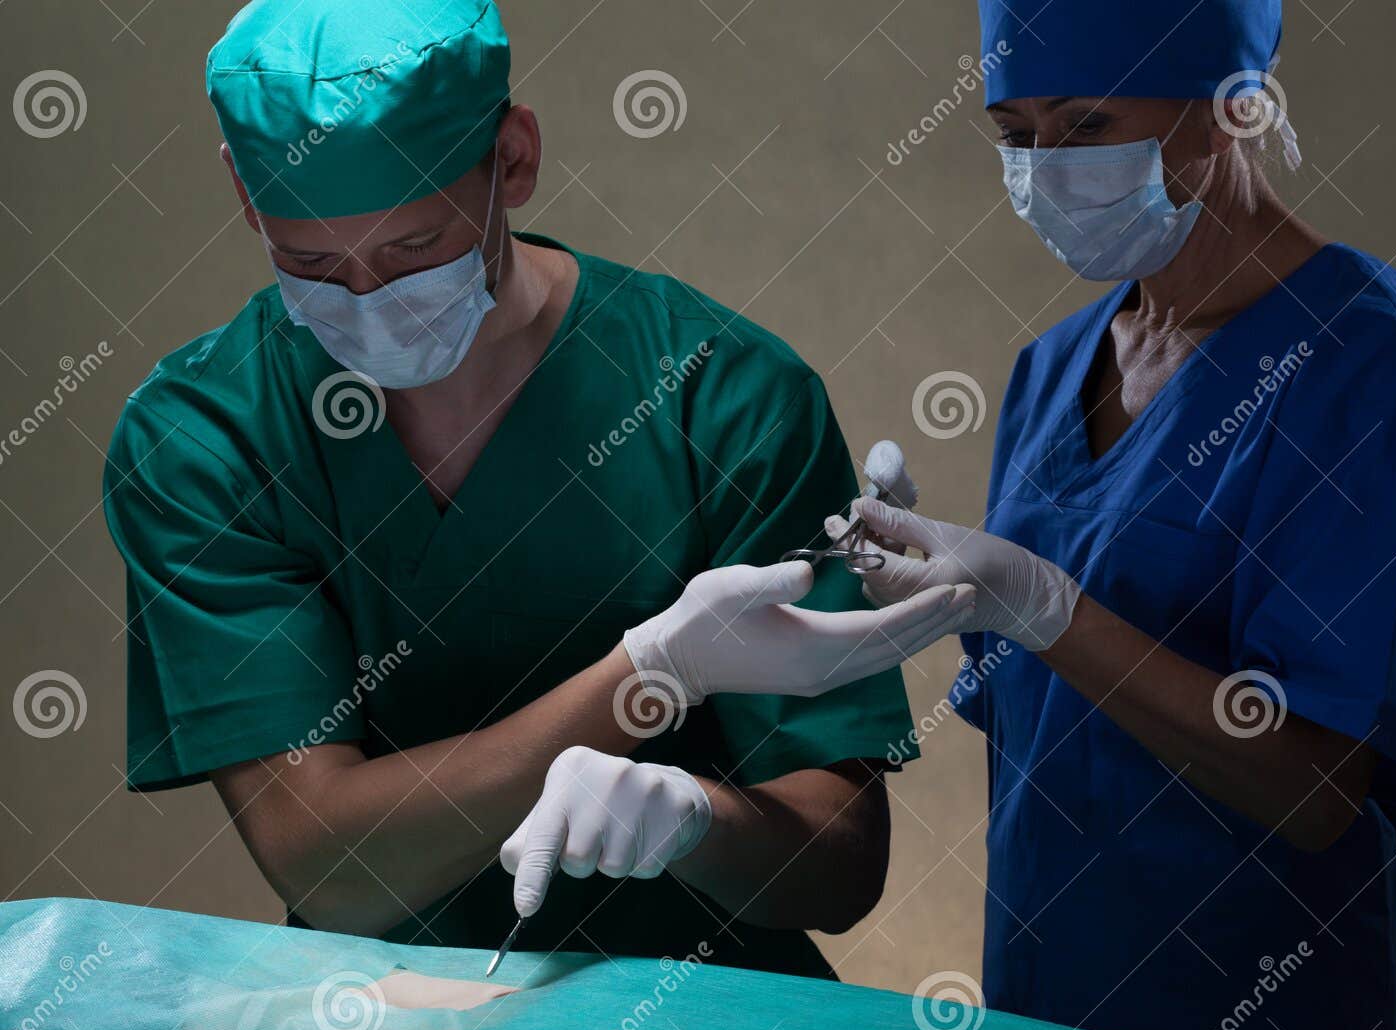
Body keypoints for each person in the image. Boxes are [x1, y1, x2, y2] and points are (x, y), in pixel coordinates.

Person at [102, 0, 974, 979]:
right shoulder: (208, 434)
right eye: (311, 264)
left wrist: (694, 821)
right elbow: (329, 864)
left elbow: (838, 869)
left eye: (413, 248)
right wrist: (649, 675)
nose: (366, 302)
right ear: (244, 193)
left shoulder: (720, 398)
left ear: (511, 159)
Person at [827, 0, 1396, 1030]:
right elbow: (1060, 716)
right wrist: (940, 599)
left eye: (1087, 123)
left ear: (1231, 108)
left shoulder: (1368, 364)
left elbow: (1314, 784)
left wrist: (1040, 604)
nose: (1046, 167)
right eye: (1017, 136)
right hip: (1044, 1026)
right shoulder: (1055, 366)